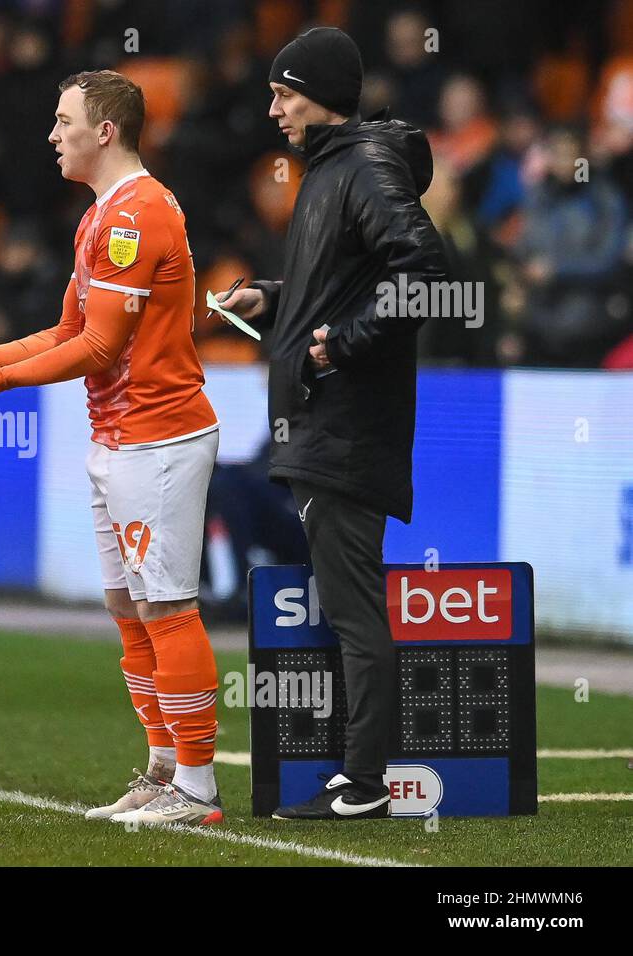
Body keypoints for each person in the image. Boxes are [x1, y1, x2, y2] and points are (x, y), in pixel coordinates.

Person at [0, 70, 224, 827]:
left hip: (159, 437)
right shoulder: (98, 216)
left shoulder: (134, 214)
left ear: (104, 130)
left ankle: (199, 788)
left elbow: (101, 345)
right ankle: (162, 768)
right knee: (129, 605)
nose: (52, 135)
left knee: (167, 606)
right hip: (119, 437)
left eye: (63, 120)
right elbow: (63, 331)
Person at [218, 27, 447, 820]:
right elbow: (346, 281)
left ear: (320, 95)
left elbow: (427, 275)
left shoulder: (362, 165)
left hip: (346, 427)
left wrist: (338, 346)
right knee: (350, 609)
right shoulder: (334, 168)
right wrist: (277, 299)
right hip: (326, 424)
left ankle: (365, 786)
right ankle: (362, 777)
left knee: (354, 613)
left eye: (285, 92)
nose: (273, 107)